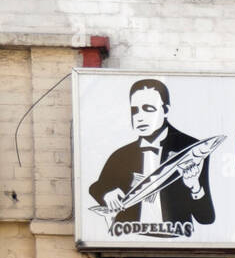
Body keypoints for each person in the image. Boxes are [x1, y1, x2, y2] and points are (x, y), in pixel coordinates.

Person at [88, 78, 215, 230]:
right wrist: (107, 194)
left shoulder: (190, 148)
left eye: (148, 109)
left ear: (166, 110)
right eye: (135, 110)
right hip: (128, 237)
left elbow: (206, 218)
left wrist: (195, 187)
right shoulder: (122, 155)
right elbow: (96, 187)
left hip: (178, 238)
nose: (140, 117)